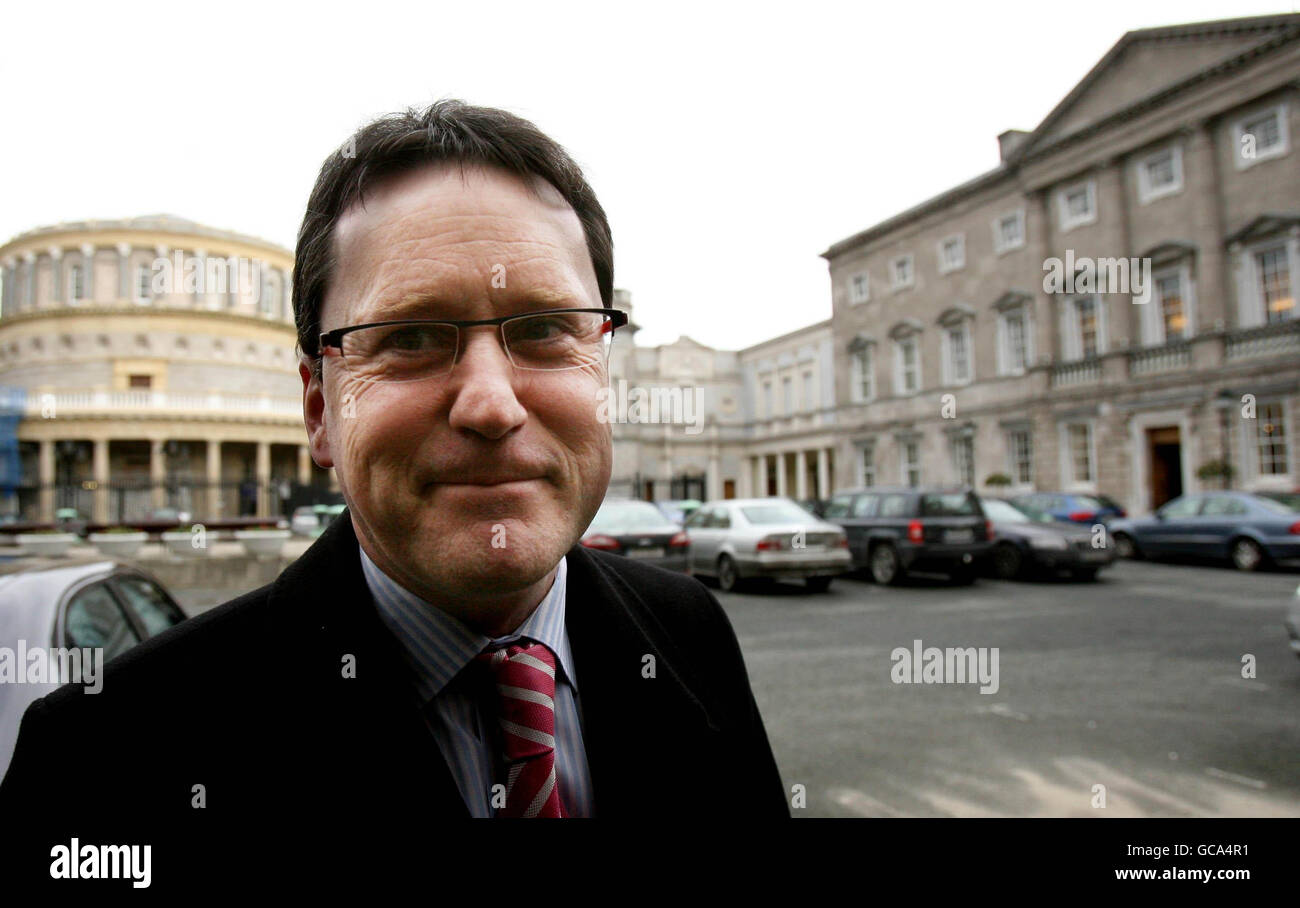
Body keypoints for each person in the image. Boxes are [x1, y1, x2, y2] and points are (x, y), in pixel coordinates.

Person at [0, 101, 787, 853]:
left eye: (546, 330)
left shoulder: (689, 631)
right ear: (319, 408)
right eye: (409, 336)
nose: (491, 404)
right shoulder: (99, 760)